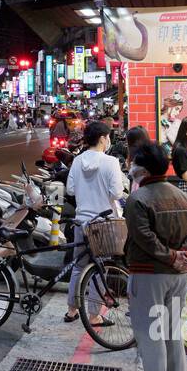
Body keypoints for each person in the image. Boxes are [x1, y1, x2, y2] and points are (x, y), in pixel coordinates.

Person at [125, 142, 187, 371]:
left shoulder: (137, 199)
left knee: (149, 332)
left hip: (148, 274)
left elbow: (143, 237)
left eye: (134, 162)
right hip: (180, 275)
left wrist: (170, 256)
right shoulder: (183, 196)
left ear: (142, 169)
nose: (130, 165)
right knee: (172, 330)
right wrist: (184, 256)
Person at [64, 121, 124, 326]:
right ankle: (94, 314)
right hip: (102, 223)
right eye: (108, 137)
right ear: (102, 139)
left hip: (81, 222)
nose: (109, 141)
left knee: (78, 268)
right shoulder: (111, 162)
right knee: (100, 269)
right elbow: (116, 193)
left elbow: (70, 190)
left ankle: (71, 310)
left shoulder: (77, 161)